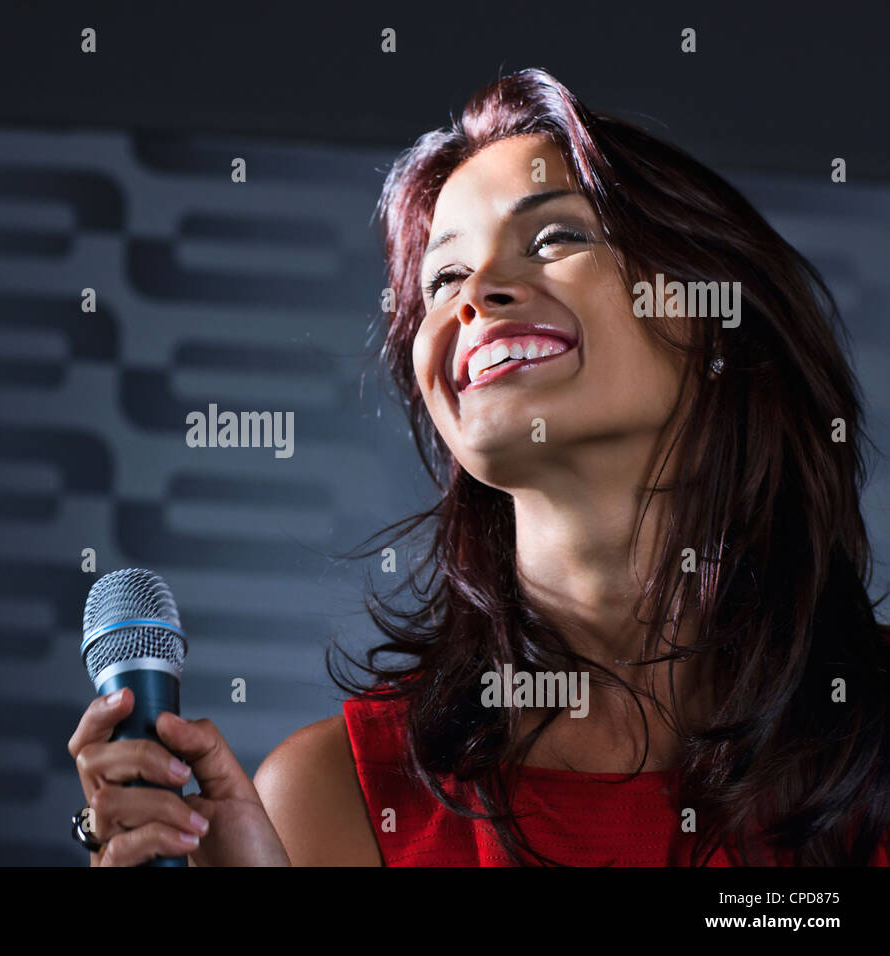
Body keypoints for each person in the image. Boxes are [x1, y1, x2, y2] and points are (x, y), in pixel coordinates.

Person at [67, 68, 890, 866]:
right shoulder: (331, 799)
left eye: (555, 236)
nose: (475, 292)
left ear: (714, 313)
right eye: (444, 276)